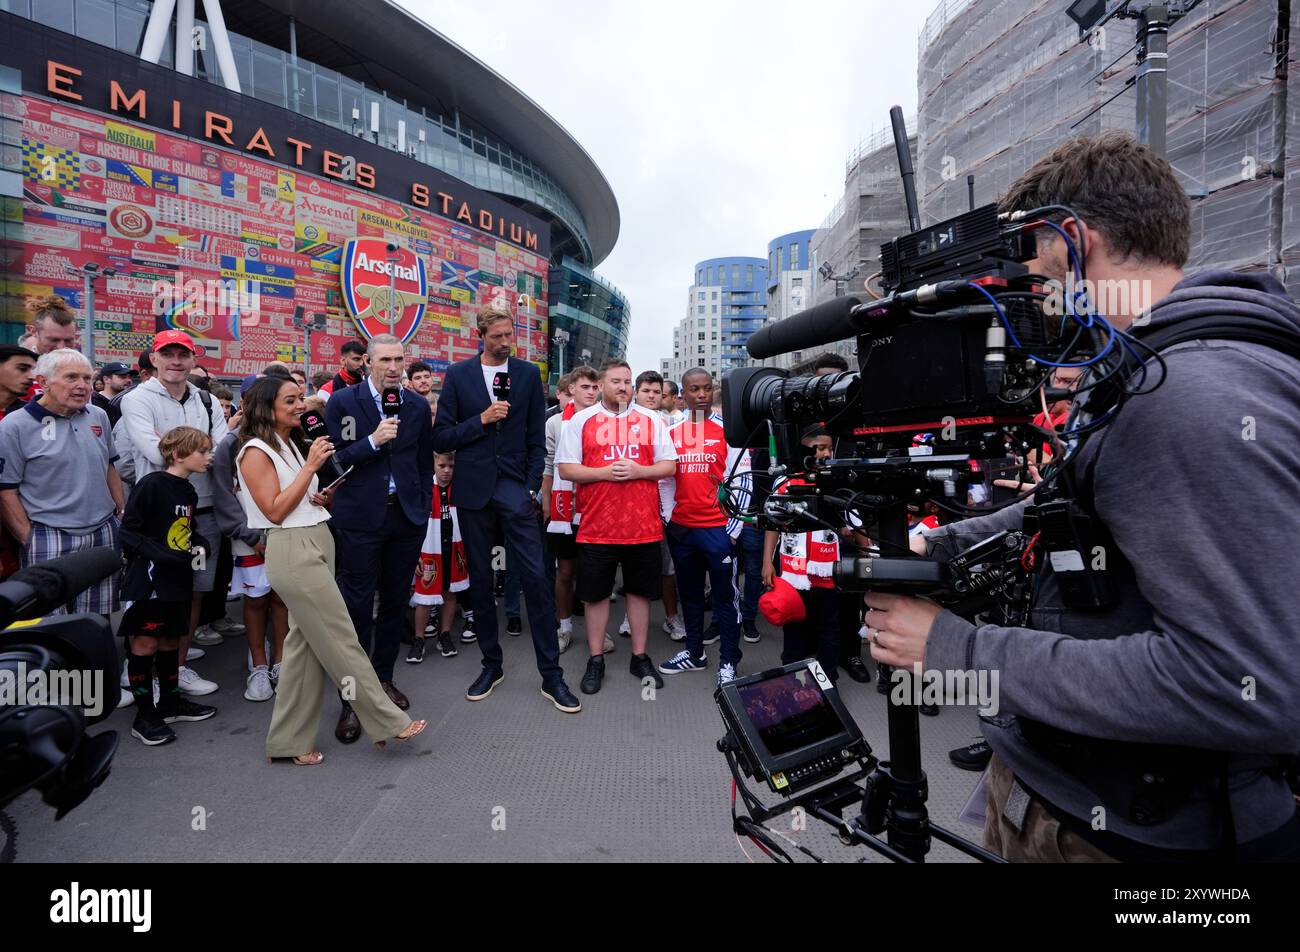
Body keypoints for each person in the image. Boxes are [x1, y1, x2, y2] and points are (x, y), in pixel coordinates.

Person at [883, 131, 1300, 861]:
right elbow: (1081, 506)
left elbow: (1245, 682)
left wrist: (957, 649)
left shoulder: (1188, 394)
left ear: (1076, 240)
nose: (1032, 285)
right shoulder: (1152, 367)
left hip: (1136, 832)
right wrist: (941, 547)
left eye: (1035, 259)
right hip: (1089, 794)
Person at [235, 376, 427, 765]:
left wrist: (317, 495)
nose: (300, 406)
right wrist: (310, 469)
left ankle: (289, 743)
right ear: (266, 408)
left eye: (299, 399)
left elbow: (293, 498)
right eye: (290, 401)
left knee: (303, 652)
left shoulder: (287, 444)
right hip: (293, 549)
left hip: (316, 538)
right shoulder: (254, 451)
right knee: (342, 637)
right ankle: (387, 721)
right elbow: (272, 510)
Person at [434, 301, 582, 713]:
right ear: (480, 335)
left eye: (509, 335)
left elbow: (537, 438)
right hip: (473, 492)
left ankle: (552, 676)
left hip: (515, 491)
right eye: (497, 336)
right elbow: (441, 438)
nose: (504, 343)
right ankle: (490, 664)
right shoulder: (459, 376)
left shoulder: (526, 374)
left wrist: (533, 487)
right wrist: (481, 419)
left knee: (537, 578)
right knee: (480, 581)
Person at [320, 333, 433, 741]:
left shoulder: (418, 406)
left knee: (394, 604)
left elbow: (423, 463)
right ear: (367, 362)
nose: (392, 367)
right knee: (355, 609)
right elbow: (332, 463)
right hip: (359, 520)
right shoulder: (343, 403)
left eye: (398, 359)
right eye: (384, 359)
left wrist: (420, 508)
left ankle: (383, 679)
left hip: (404, 519)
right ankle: (351, 699)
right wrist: (372, 441)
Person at [556, 358, 676, 695]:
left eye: (627, 381)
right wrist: (604, 473)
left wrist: (640, 471)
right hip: (597, 526)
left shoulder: (652, 419)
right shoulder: (581, 421)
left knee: (639, 594)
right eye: (616, 381)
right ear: (601, 385)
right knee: (595, 597)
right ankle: (596, 658)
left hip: (643, 526)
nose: (623, 387)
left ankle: (640, 656)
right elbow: (566, 469)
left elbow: (669, 465)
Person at [118, 331, 228, 696]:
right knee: (151, 595)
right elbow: (153, 451)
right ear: (155, 359)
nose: (176, 361)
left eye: (184, 354)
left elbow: (221, 447)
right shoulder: (136, 399)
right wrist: (197, 448)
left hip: (204, 508)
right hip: (158, 514)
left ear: (194, 360)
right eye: (169, 354)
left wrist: (196, 449)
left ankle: (176, 669)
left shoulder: (207, 400)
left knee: (192, 593)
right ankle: (138, 671)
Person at [0, 349, 125, 614]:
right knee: (48, 624)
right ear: (43, 382)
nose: (82, 386)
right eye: (71, 377)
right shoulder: (14, 425)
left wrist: (120, 512)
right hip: (48, 533)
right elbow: (6, 489)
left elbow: (109, 465)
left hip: (102, 531)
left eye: (87, 378)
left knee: (95, 621)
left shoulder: (97, 416)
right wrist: (28, 538)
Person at [119, 426, 219, 745]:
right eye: (201, 451)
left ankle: (171, 703)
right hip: (150, 581)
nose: (208, 457)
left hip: (177, 580)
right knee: (145, 644)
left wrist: (199, 541)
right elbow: (130, 533)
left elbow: (182, 529)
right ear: (178, 454)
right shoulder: (152, 484)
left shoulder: (188, 490)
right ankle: (144, 716)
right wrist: (164, 556)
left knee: (170, 643)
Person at [657, 369, 746, 684]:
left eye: (707, 389)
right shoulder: (672, 430)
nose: (702, 395)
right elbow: (665, 479)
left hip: (718, 529)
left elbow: (743, 480)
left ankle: (729, 661)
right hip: (683, 529)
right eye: (694, 389)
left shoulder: (730, 431)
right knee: (690, 596)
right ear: (683, 393)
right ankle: (694, 653)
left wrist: (733, 529)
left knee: (725, 597)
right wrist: (670, 517)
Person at [759, 425, 856, 681]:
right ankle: (792, 678)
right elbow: (773, 524)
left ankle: (828, 681)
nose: (825, 454)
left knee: (828, 627)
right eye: (819, 448)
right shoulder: (786, 481)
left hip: (827, 570)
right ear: (804, 449)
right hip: (793, 571)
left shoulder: (837, 479)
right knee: (794, 628)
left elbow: (854, 524)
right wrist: (767, 562)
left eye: (828, 448)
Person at [211, 376, 287, 702]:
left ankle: (283, 661)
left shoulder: (288, 437)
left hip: (285, 531)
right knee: (256, 599)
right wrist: (249, 535)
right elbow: (223, 496)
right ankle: (258, 663)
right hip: (249, 537)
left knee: (284, 597)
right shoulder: (230, 444)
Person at [541, 366, 599, 652]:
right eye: (585, 387)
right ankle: (564, 627)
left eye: (594, 387)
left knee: (593, 573)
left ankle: (596, 631)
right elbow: (549, 464)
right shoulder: (554, 423)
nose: (590, 392)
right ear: (571, 390)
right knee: (564, 572)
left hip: (596, 507)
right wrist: (547, 504)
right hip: (563, 510)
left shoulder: (606, 420)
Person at [408, 450, 467, 662]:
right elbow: (414, 523)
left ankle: (445, 634)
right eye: (441, 466)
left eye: (451, 467)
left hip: (453, 548)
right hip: (429, 550)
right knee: (424, 598)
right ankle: (419, 639)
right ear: (433, 464)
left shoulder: (459, 488)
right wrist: (415, 554)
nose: (446, 471)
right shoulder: (425, 488)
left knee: (451, 594)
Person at [0, 345, 38, 579]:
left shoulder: (30, 416)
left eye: (33, 369)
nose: (30, 377)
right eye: (22, 368)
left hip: (23, 528)